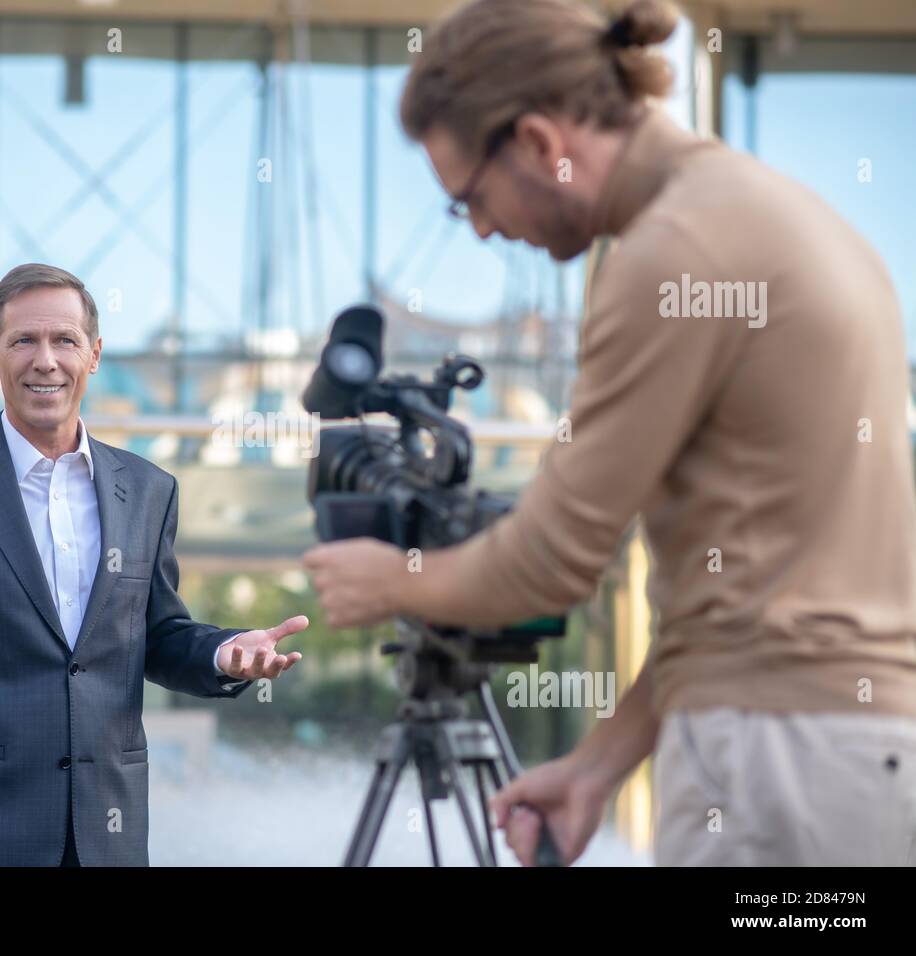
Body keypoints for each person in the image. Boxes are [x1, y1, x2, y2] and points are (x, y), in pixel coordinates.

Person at [303, 0, 916, 866]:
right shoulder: (783, 217)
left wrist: (392, 579)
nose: (481, 228)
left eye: (469, 198)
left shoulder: (672, 254)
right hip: (830, 754)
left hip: (773, 769)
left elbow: (550, 562)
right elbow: (743, 605)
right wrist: (599, 765)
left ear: (540, 140)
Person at [0, 263, 306, 866]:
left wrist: (224, 653)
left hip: (108, 835)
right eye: (24, 340)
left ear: (93, 354)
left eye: (64, 340)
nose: (45, 360)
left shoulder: (150, 491)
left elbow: (155, 635)